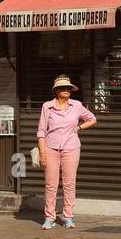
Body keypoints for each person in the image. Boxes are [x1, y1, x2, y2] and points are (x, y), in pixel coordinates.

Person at [36, 74, 97, 230]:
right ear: (56, 91)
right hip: (51, 149)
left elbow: (92, 119)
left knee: (69, 184)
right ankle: (49, 217)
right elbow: (41, 132)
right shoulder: (47, 107)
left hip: (71, 148)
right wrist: (42, 154)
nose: (66, 90)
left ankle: (68, 217)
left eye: (68, 88)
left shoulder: (76, 105)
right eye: (63, 88)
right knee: (51, 185)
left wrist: (79, 127)